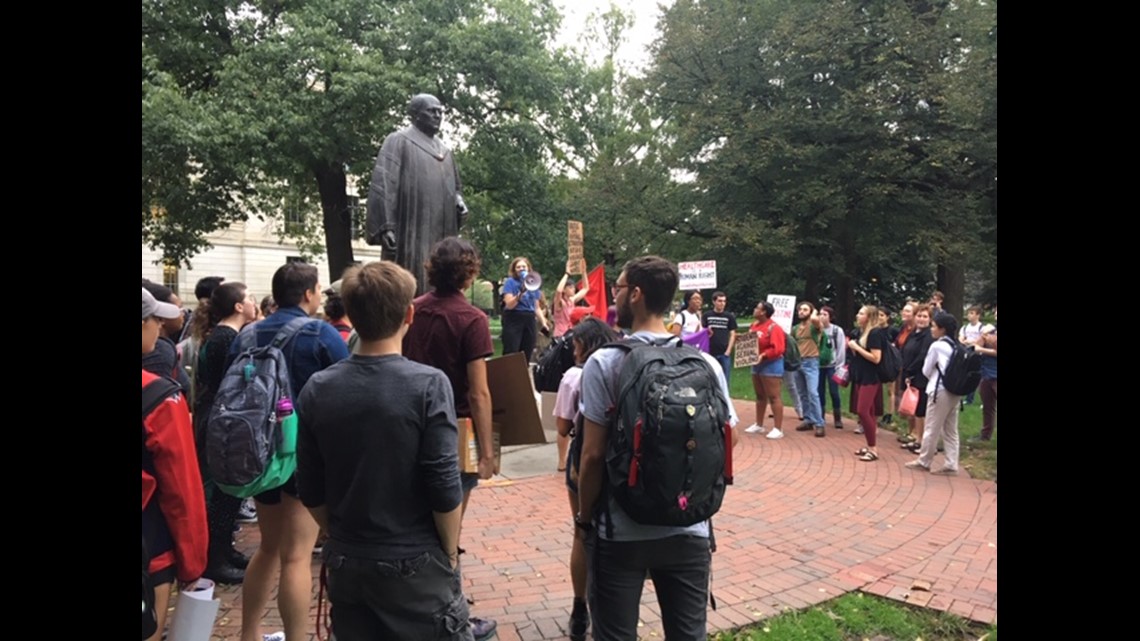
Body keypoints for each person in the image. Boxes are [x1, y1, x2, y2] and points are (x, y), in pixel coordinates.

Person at [296, 261, 474, 641]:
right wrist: (449, 551)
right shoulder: (427, 385)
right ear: (409, 313)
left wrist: (339, 535)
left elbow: (310, 487)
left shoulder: (317, 388)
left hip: (348, 559)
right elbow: (443, 485)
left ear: (352, 315)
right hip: (414, 558)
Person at [575, 255, 738, 641]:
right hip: (691, 526)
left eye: (616, 288)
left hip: (622, 530)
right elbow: (729, 436)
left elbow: (593, 455)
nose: (613, 297)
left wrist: (584, 519)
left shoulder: (605, 362)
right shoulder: (705, 363)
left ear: (636, 293)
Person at [228, 262, 350, 641]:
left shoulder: (246, 336)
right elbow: (348, 384)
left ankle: (249, 633)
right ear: (308, 293)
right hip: (302, 455)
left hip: (259, 454)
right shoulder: (319, 333)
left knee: (267, 547)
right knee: (297, 555)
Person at [402, 237, 498, 641]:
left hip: (406, 424)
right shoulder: (471, 319)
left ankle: (414, 602)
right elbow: (478, 392)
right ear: (470, 272)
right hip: (456, 432)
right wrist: (488, 452)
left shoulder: (412, 311)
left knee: (412, 516)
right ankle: (451, 614)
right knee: (450, 528)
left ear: (430, 269)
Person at [142, 287, 208, 641]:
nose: (158, 325)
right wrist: (193, 562)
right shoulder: (159, 399)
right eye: (153, 318)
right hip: (149, 549)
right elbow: (182, 491)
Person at [553, 317, 620, 641]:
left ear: (583, 344)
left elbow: (564, 428)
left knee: (582, 531)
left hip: (583, 460)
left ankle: (580, 607)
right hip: (619, 461)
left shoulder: (573, 376)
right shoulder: (622, 365)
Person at [366, 93, 469, 295]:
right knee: (411, 275)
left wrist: (459, 201)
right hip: (410, 228)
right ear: (415, 114)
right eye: (432, 111)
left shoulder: (445, 152)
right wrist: (386, 226)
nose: (438, 115)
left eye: (440, 111)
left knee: (442, 270)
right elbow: (384, 182)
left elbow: (455, 187)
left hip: (442, 226)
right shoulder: (398, 141)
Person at [192, 282, 259, 585]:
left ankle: (222, 550)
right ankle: (215, 558)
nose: (254, 303)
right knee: (223, 490)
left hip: (218, 416)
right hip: (222, 419)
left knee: (226, 491)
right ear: (237, 306)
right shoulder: (227, 338)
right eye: (250, 299)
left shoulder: (224, 335)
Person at [905, 312, 963, 475]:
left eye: (934, 326)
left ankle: (924, 461)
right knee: (951, 429)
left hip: (939, 390)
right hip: (955, 391)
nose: (932, 329)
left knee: (932, 426)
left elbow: (926, 369)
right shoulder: (957, 345)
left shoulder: (937, 346)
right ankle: (951, 463)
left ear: (942, 329)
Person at [742, 300, 787, 438]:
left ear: (764, 312)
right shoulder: (754, 326)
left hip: (771, 364)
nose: (755, 310)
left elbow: (778, 348)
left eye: (757, 308)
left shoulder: (774, 328)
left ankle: (778, 428)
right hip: (756, 364)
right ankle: (759, 424)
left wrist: (764, 355)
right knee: (760, 395)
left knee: (774, 396)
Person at [847, 305, 885, 462]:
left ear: (869, 317)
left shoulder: (875, 333)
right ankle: (869, 446)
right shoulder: (861, 332)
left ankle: (873, 448)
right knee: (867, 411)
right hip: (860, 375)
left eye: (861, 313)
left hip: (871, 377)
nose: (857, 315)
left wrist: (856, 347)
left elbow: (876, 358)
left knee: (862, 411)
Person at [898, 304, 934, 453]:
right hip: (909, 374)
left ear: (930, 319)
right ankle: (918, 439)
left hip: (921, 376)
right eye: (919, 316)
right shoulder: (913, 333)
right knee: (916, 410)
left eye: (925, 316)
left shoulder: (928, 336)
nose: (921, 319)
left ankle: (924, 442)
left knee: (922, 410)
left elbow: (922, 356)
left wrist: (910, 371)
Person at [500, 256, 548, 360]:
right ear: (514, 270)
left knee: (527, 350)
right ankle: (508, 374)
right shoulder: (510, 282)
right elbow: (509, 304)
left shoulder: (534, 284)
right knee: (512, 350)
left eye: (523, 266)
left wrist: (543, 322)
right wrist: (520, 294)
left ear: (528, 268)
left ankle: (522, 374)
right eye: (518, 267)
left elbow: (536, 307)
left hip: (529, 318)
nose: (521, 269)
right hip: (514, 317)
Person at [790, 302, 826, 437]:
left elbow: (816, 320)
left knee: (812, 392)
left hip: (811, 361)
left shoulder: (814, 325)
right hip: (798, 362)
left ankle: (819, 423)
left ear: (811, 312)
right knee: (802, 393)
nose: (801, 312)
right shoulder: (796, 328)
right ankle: (808, 419)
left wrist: (814, 312)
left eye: (805, 310)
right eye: (800, 309)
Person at [817, 306, 847, 429]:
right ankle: (821, 416)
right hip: (819, 365)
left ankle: (837, 417)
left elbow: (841, 348)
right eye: (820, 314)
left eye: (825, 314)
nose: (822, 316)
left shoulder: (836, 330)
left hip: (832, 365)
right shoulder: (817, 329)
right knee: (819, 391)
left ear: (830, 317)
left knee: (834, 392)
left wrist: (839, 365)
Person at [972, 305, 997, 442]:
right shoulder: (990, 329)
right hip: (987, 373)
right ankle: (985, 435)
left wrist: (989, 347)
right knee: (988, 407)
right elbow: (976, 346)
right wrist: (984, 336)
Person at [702, 291, 737, 385]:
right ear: (714, 302)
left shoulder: (729, 316)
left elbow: (733, 334)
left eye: (724, 301)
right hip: (710, 352)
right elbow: (701, 333)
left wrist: (728, 351)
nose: (722, 303)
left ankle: (725, 398)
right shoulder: (707, 315)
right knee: (710, 379)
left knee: (725, 380)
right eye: (720, 301)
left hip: (724, 352)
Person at [552, 264, 590, 338]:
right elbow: (558, 291)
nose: (573, 289)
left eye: (573, 287)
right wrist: (567, 274)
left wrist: (583, 271)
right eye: (570, 287)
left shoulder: (571, 300)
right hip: (560, 335)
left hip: (570, 333)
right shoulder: (560, 302)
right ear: (564, 290)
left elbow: (586, 288)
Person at [958, 306, 984, 405]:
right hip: (967, 352)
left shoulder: (982, 328)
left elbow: (982, 340)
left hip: (977, 354)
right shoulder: (965, 327)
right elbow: (961, 337)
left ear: (978, 315)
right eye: (969, 313)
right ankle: (968, 398)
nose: (969, 315)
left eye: (972, 313)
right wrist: (964, 341)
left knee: (977, 376)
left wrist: (972, 342)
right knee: (966, 375)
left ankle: (980, 399)